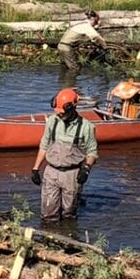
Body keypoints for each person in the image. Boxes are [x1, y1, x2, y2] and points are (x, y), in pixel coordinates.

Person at [31, 87, 96, 222]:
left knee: (69, 214)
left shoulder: (86, 127)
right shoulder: (52, 122)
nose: (59, 115)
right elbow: (44, 145)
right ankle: (48, 239)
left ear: (72, 108)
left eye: (62, 113)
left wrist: (86, 169)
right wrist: (35, 169)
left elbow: (92, 152)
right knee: (48, 214)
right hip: (51, 172)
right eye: (58, 112)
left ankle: (68, 238)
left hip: (72, 175)